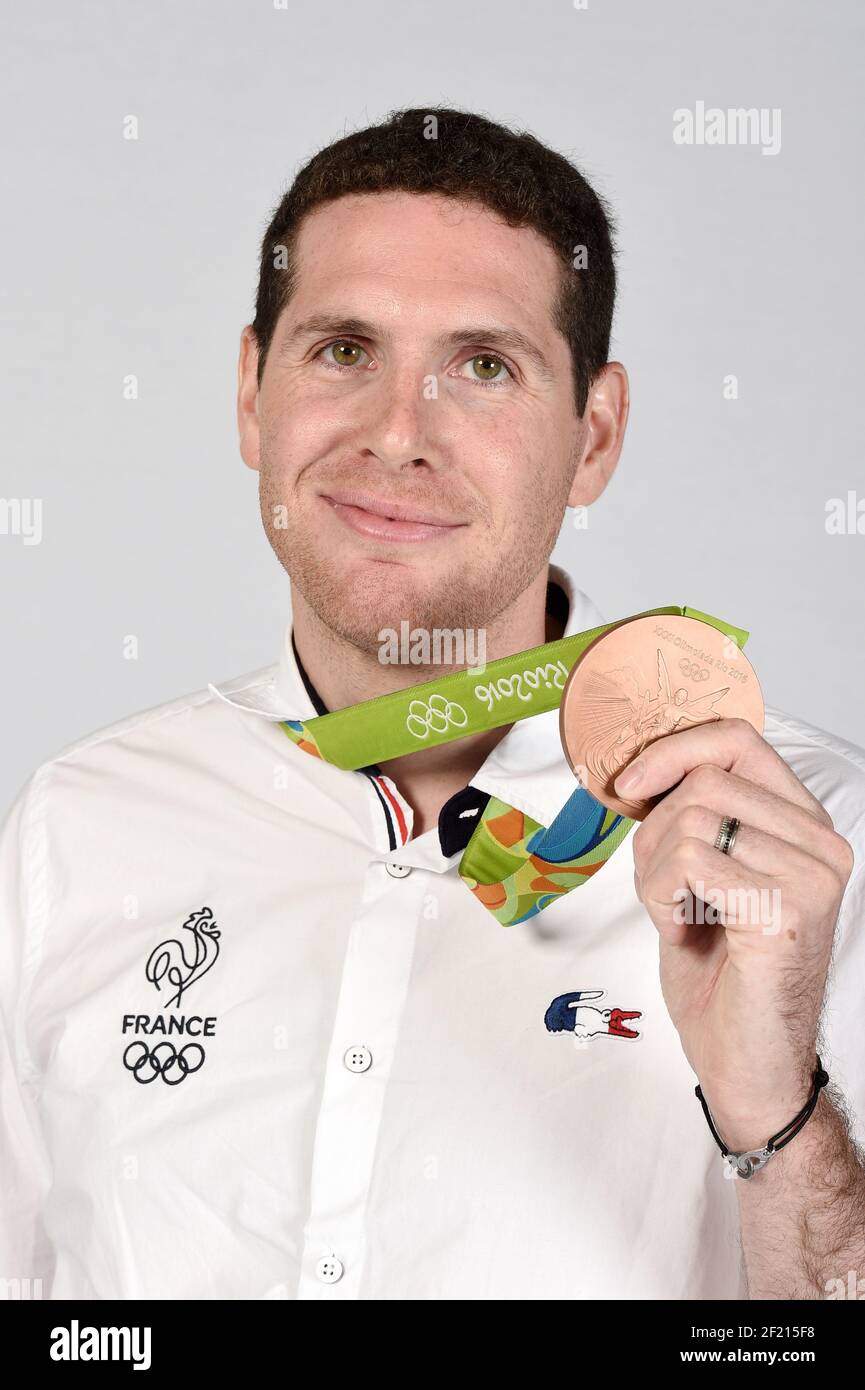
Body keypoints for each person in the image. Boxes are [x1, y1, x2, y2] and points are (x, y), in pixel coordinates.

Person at [1, 107, 863, 1302]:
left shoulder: (820, 847)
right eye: (343, 350)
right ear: (253, 394)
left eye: (484, 366)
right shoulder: (78, 826)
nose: (398, 434)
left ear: (595, 435)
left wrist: (778, 1116)